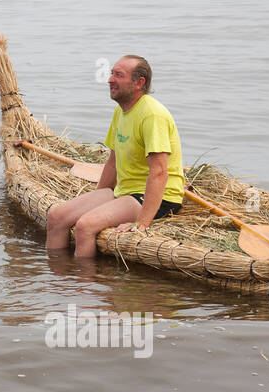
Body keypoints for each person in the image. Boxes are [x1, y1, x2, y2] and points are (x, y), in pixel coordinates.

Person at [45, 55, 185, 257]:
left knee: (85, 226)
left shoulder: (152, 114)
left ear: (139, 82)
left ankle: (83, 284)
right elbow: (113, 161)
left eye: (118, 75)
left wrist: (143, 223)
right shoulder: (121, 111)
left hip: (158, 197)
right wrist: (98, 198)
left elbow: (160, 172)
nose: (110, 79)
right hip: (124, 190)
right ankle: (57, 281)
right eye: (111, 74)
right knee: (56, 217)